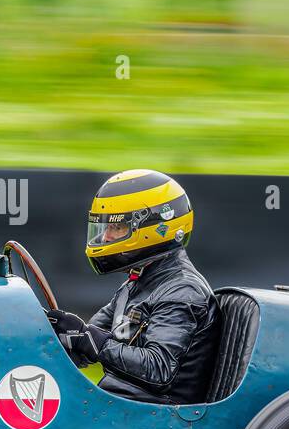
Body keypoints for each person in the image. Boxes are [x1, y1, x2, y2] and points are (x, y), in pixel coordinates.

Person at [46, 170, 220, 405]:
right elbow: (89, 336)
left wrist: (92, 340)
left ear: (154, 228)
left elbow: (159, 369)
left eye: (116, 228)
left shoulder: (181, 291)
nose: (106, 237)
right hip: (118, 402)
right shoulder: (138, 282)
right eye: (105, 228)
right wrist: (52, 332)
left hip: (153, 418)